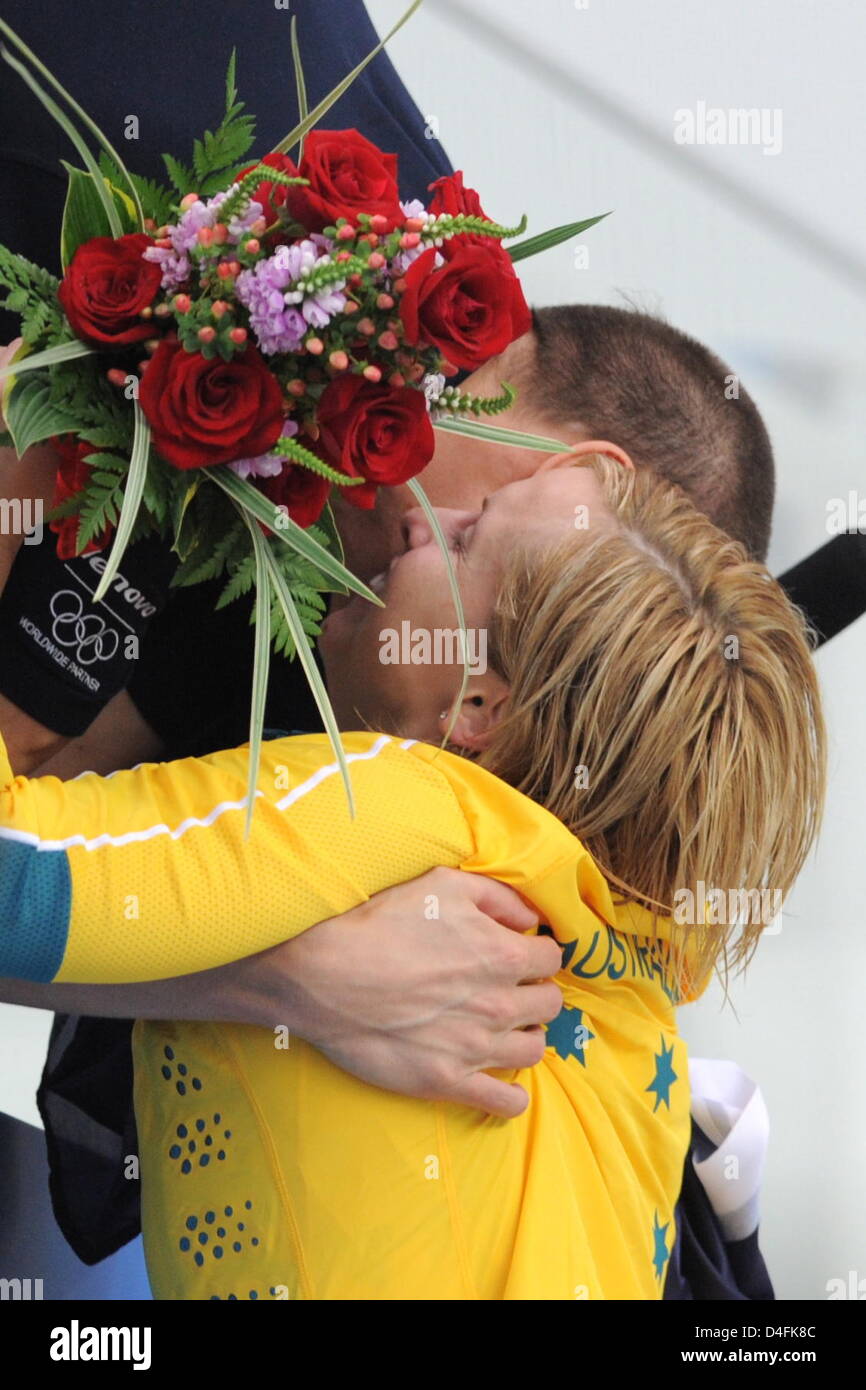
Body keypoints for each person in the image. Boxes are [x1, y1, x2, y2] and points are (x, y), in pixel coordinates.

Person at [0, 454, 825, 1298]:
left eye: (465, 539)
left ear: (479, 705)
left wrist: (27, 463)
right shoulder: (636, 978)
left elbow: (12, 887)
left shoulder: (396, 801)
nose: (416, 520)